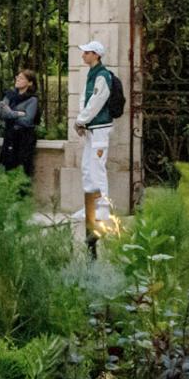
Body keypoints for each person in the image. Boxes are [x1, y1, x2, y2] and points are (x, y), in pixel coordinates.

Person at [75, 40, 120, 254]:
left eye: (87, 52)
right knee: (88, 166)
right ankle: (90, 206)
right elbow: (85, 100)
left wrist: (81, 119)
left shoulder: (102, 75)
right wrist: (82, 120)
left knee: (97, 166)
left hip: (100, 127)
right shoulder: (93, 74)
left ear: (96, 55)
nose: (83, 55)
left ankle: (102, 209)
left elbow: (95, 102)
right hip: (93, 127)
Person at [0, 69, 41, 178]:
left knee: (21, 171)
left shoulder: (32, 99)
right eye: (17, 77)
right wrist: (17, 114)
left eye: (21, 78)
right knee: (7, 168)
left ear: (30, 82)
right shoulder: (9, 95)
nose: (17, 79)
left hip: (24, 138)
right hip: (10, 136)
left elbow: (27, 121)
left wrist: (10, 113)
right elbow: (0, 113)